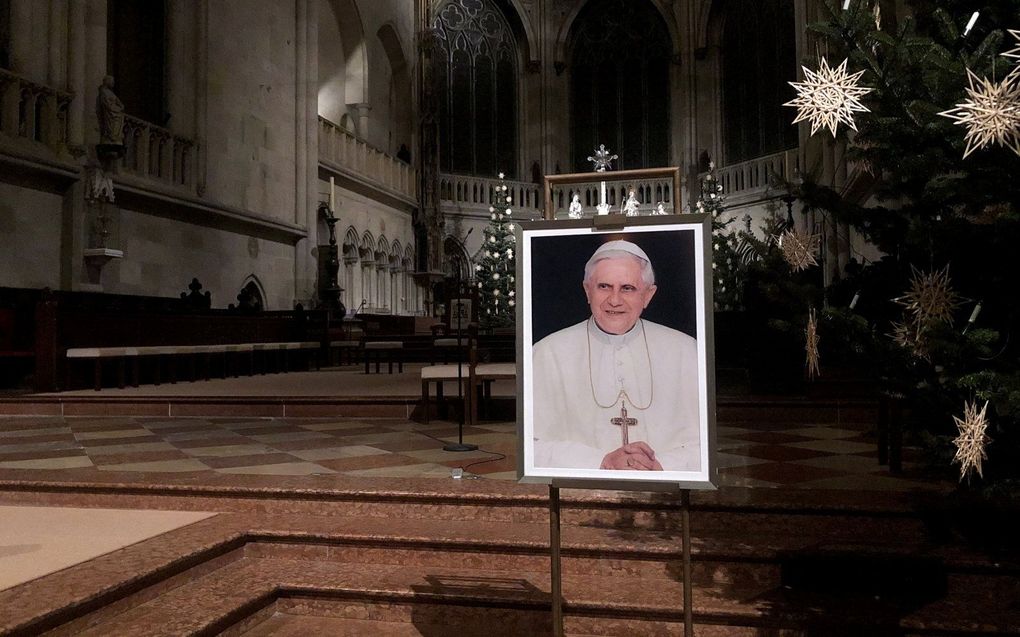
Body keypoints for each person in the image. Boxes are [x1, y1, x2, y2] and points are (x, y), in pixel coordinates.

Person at [532, 240, 700, 472]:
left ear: (648, 295)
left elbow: (705, 444)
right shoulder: (548, 353)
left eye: (627, 288)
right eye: (604, 286)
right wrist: (601, 462)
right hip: (581, 489)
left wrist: (661, 465)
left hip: (664, 488)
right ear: (587, 291)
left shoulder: (686, 351)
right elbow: (531, 447)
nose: (614, 300)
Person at [96, 75, 125, 146]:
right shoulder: (103, 92)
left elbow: (119, 102)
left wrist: (121, 107)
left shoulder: (110, 92)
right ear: (107, 81)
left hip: (115, 113)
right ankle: (111, 137)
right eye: (112, 81)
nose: (113, 83)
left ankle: (115, 137)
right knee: (112, 128)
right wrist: (118, 109)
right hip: (111, 114)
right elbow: (107, 105)